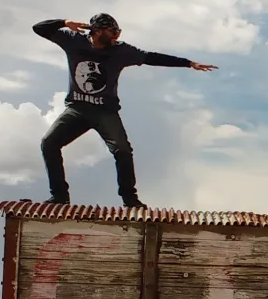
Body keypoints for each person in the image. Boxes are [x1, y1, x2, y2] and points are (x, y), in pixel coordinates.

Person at [33, 13, 216, 209]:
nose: (116, 37)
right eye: (112, 33)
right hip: (77, 110)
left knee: (123, 151)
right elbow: (39, 28)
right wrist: (63, 22)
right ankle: (59, 196)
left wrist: (188, 63)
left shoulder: (121, 51)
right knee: (49, 143)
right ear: (97, 31)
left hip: (105, 112)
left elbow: (150, 57)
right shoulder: (73, 41)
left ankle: (130, 199)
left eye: (117, 33)